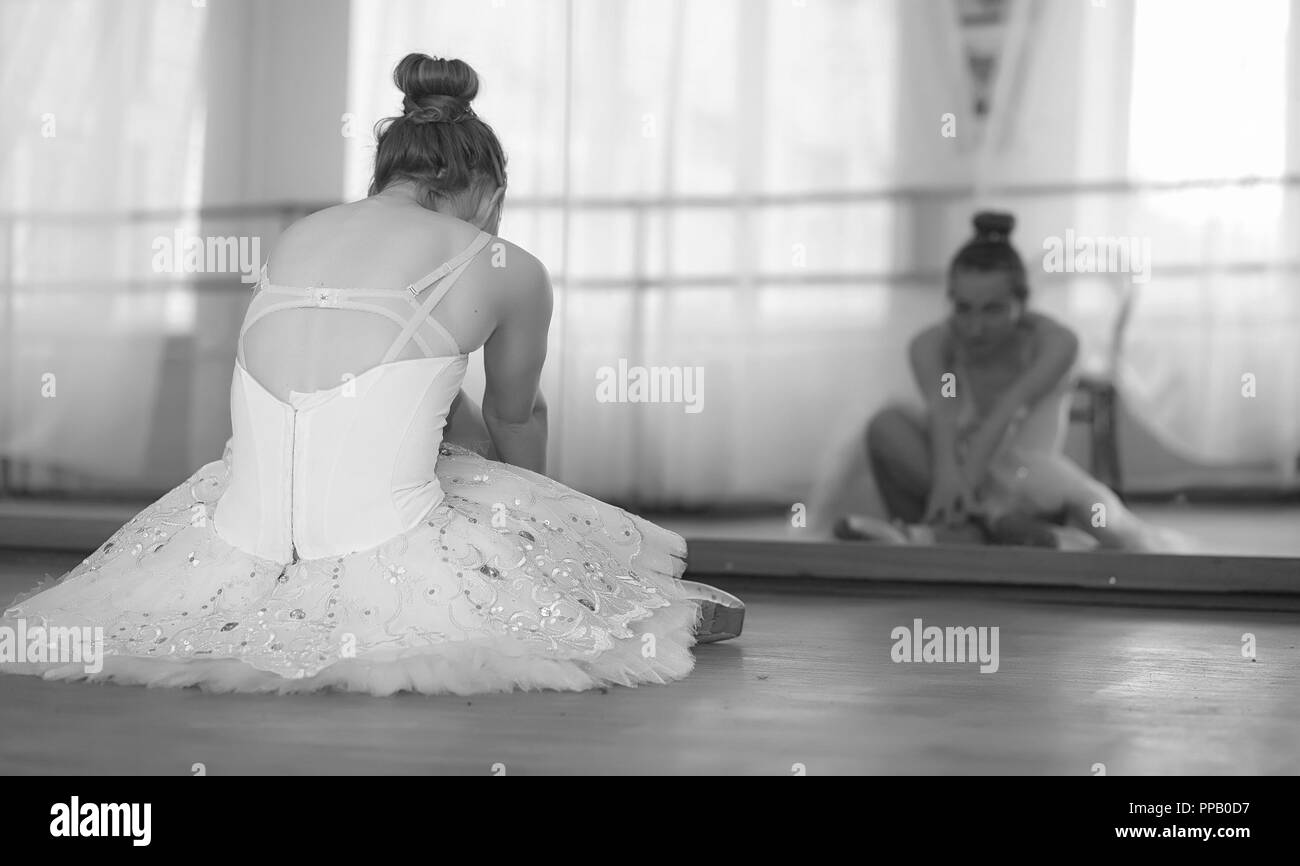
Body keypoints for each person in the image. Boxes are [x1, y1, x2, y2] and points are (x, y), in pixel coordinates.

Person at [1, 54, 740, 696]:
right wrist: (550, 538)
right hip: (388, 540)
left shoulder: (301, 234)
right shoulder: (502, 264)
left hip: (239, 535)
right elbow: (519, 421)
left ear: (387, 172)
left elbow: (385, 384)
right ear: (487, 187)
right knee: (629, 584)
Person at [834, 212, 1188, 552]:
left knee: (1106, 521)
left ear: (1022, 304)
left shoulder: (1055, 342)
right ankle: (972, 530)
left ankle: (940, 535)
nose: (975, 327)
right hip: (954, 468)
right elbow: (942, 413)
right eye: (964, 308)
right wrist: (948, 479)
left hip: (1024, 472)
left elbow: (1008, 413)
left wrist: (964, 485)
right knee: (885, 426)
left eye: (993, 310)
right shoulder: (930, 344)